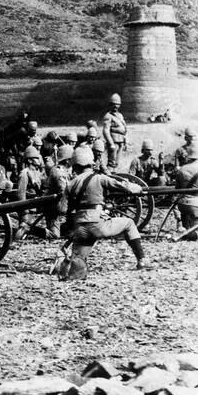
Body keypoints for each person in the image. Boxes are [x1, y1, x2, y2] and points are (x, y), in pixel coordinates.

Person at [62, 145, 149, 273]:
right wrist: (139, 189)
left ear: (75, 166)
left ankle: (73, 268)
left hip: (79, 227)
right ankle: (142, 260)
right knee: (129, 223)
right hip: (97, 224)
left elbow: (63, 208)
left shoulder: (71, 184)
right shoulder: (99, 178)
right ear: (91, 164)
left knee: (78, 263)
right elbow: (122, 185)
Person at [174, 145, 198, 241]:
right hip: (197, 205)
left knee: (189, 227)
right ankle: (186, 235)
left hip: (182, 205)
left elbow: (177, 189)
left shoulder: (182, 169)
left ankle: (185, 229)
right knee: (197, 234)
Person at [101, 94, 128, 169]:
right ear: (110, 105)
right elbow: (106, 131)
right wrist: (111, 143)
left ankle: (115, 175)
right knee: (111, 162)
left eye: (117, 104)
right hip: (114, 141)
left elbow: (124, 129)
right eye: (114, 104)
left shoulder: (120, 115)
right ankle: (110, 176)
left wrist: (125, 141)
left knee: (117, 162)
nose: (116, 106)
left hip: (121, 141)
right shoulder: (108, 116)